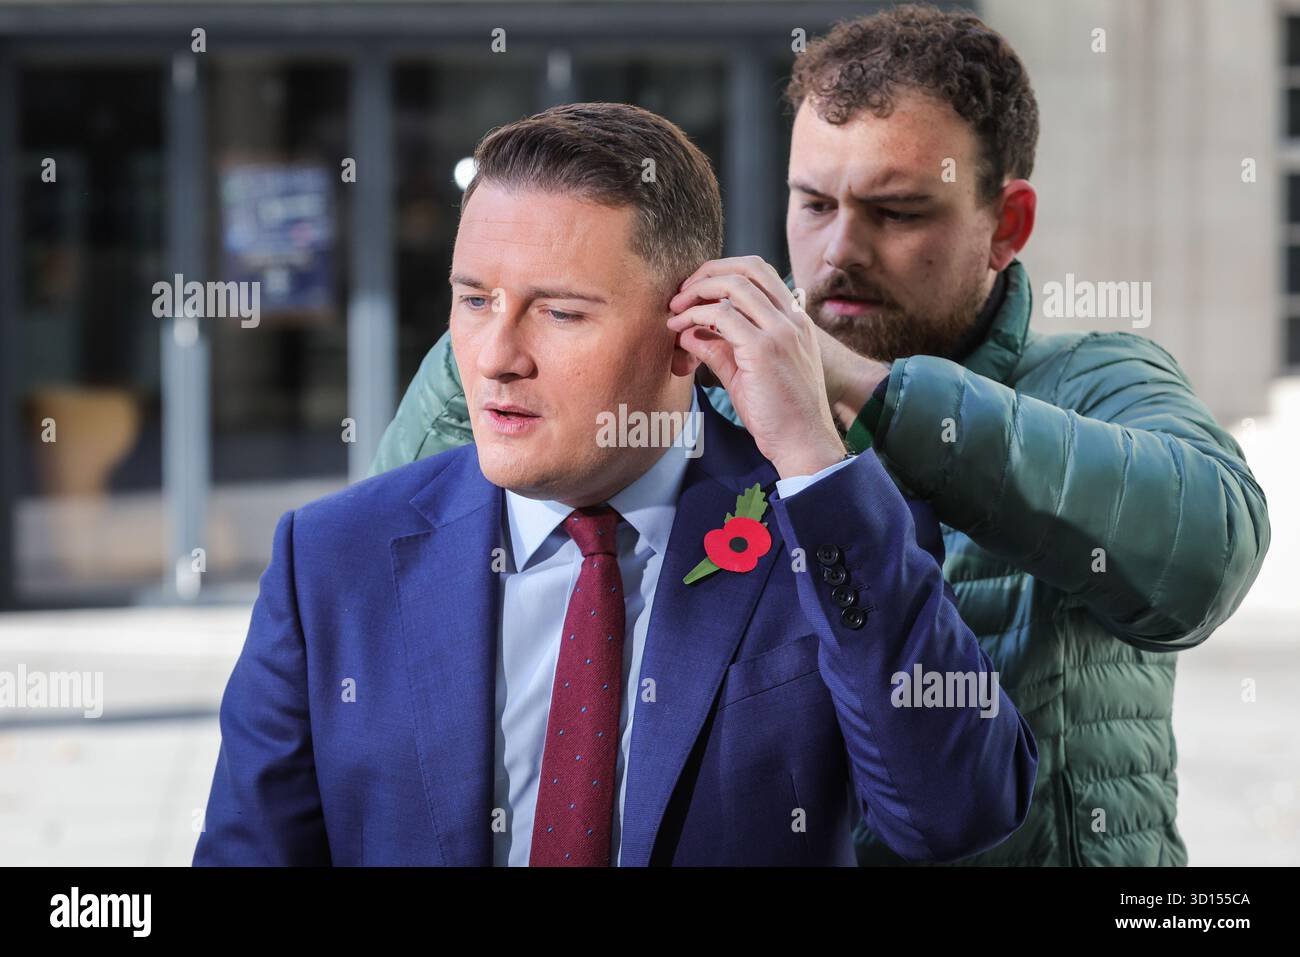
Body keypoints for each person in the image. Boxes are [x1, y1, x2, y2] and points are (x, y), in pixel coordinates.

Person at [369, 6, 1270, 866]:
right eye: (813, 204)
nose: (840, 251)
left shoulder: (1095, 379)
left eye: (898, 211)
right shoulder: (712, 387)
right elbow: (397, 580)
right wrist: (536, 303)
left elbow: (1208, 555)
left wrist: (859, 387)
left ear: (1009, 223)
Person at [194, 101, 1037, 867]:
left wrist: (812, 458)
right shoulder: (332, 560)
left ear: (689, 333)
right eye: (475, 299)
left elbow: (956, 812)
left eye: (560, 312)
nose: (495, 356)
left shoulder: (826, 528)